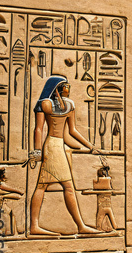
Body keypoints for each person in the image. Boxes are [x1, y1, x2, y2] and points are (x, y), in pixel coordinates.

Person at [28, 75, 100, 236]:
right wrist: (37, 151)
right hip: (51, 147)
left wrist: (89, 147)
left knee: (46, 185)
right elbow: (39, 129)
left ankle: (36, 226)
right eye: (66, 86)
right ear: (58, 89)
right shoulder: (45, 104)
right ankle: (78, 225)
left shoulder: (69, 105)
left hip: (58, 146)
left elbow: (71, 132)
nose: (68, 89)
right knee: (62, 186)